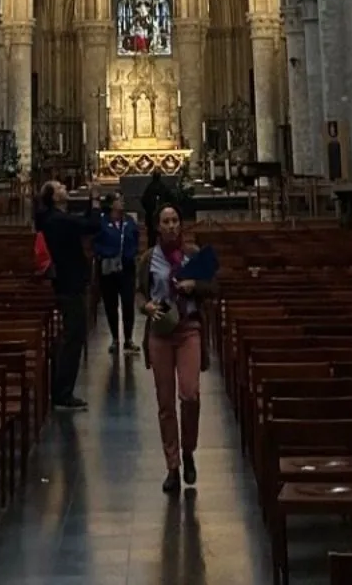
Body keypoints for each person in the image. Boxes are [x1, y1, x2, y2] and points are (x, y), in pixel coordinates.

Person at [139, 203, 217, 494]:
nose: (171, 225)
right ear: (158, 226)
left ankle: (189, 450)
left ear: (180, 225)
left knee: (190, 393)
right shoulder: (149, 258)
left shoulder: (194, 254)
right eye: (165, 221)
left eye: (175, 220)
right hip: (160, 331)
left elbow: (214, 286)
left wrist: (194, 284)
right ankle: (172, 465)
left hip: (188, 328)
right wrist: (144, 306)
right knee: (165, 403)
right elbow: (138, 291)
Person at [34, 181, 98, 410]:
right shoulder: (58, 220)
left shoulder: (54, 218)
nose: (64, 188)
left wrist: (92, 202)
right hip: (69, 284)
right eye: (60, 187)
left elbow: (83, 222)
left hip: (66, 282)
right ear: (54, 197)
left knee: (72, 336)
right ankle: (62, 393)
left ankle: (61, 390)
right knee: (74, 337)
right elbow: (90, 225)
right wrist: (97, 201)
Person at [92, 194, 140, 356]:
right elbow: (96, 242)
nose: (122, 202)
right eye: (119, 200)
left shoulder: (129, 221)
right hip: (109, 269)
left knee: (128, 303)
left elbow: (135, 238)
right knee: (111, 304)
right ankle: (114, 338)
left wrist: (130, 254)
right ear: (112, 204)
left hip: (126, 268)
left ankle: (128, 339)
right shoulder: (102, 222)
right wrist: (107, 254)